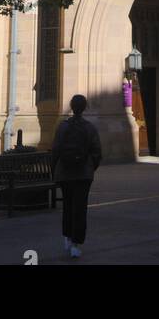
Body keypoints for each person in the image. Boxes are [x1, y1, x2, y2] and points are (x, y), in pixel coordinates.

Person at [51, 95, 102, 258]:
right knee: (80, 208)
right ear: (85, 107)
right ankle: (76, 244)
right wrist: (89, 168)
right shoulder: (89, 127)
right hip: (83, 174)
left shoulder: (63, 127)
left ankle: (67, 237)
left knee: (68, 205)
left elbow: (56, 150)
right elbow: (97, 152)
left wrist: (55, 171)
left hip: (65, 173)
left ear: (72, 107)